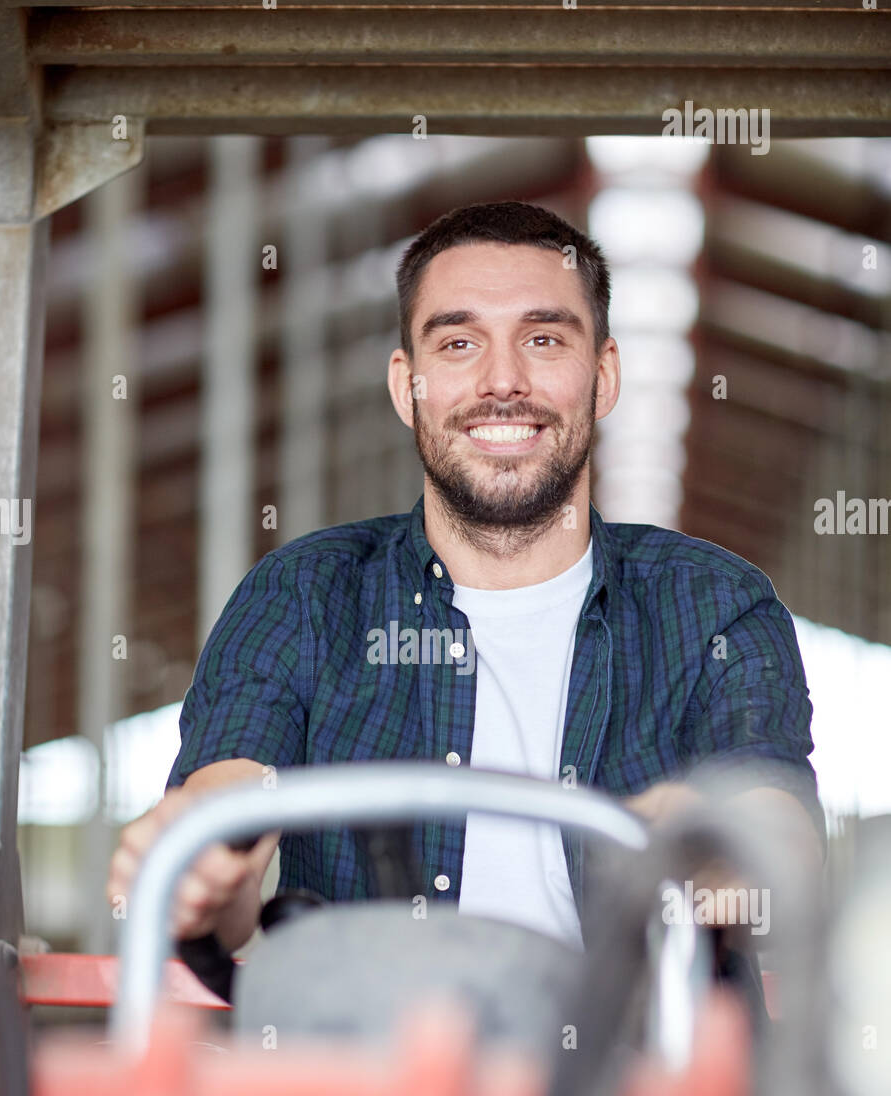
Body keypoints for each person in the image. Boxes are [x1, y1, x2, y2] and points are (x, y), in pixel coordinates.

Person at [106, 200, 825, 961]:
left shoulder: (714, 603)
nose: (502, 380)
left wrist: (719, 844)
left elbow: (773, 825)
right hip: (377, 1065)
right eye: (457, 343)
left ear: (604, 375)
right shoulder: (305, 592)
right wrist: (203, 858)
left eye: (543, 339)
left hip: (637, 1066)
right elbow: (230, 792)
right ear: (404, 384)